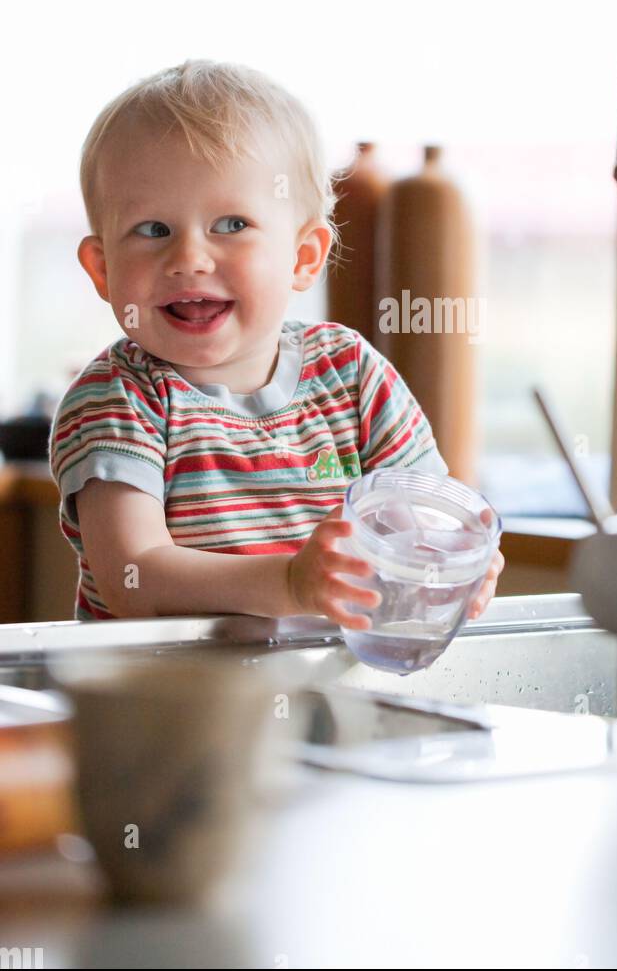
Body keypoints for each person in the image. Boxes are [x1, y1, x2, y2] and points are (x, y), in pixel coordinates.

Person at [49, 59, 504, 622]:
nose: (189, 258)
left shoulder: (354, 376)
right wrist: (290, 581)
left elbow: (421, 523)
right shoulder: (118, 400)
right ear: (101, 269)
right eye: (153, 230)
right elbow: (131, 574)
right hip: (163, 707)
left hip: (326, 698)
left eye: (232, 224)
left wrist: (453, 563)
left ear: (303, 256)